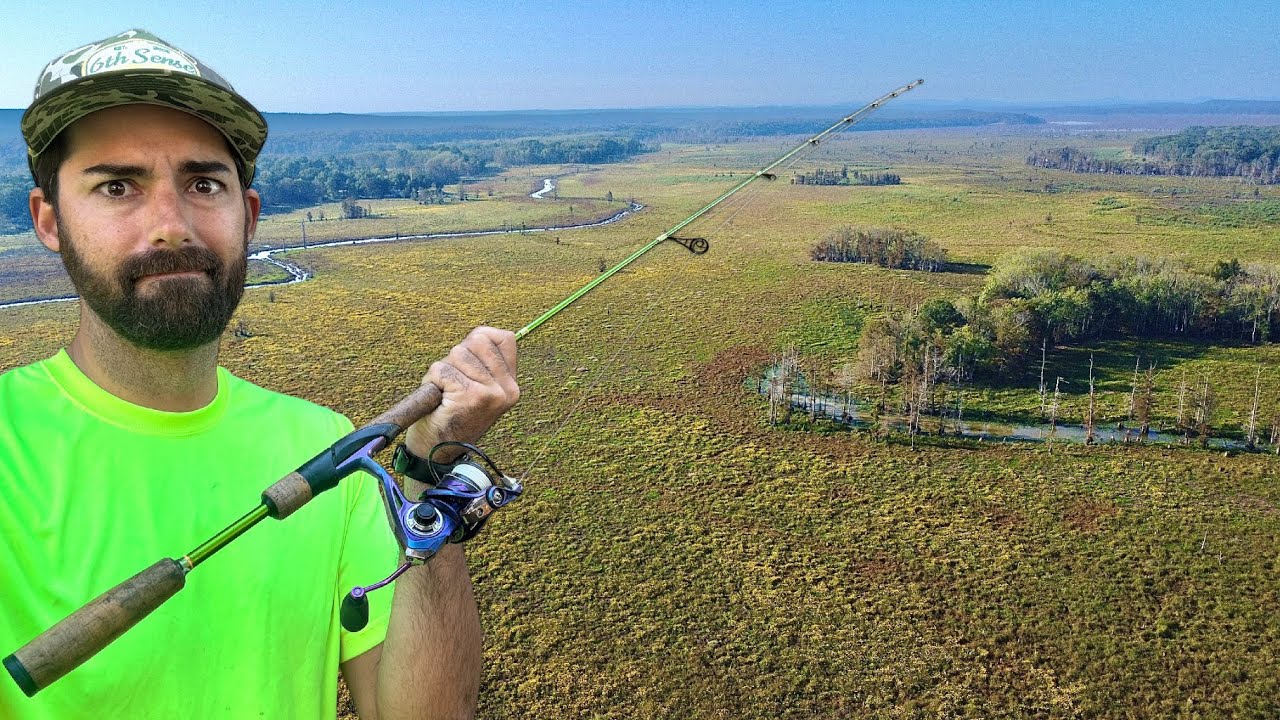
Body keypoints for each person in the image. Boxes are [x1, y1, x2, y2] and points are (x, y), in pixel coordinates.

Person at [0, 29, 519, 719]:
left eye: (203, 183)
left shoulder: (331, 447)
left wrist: (431, 474)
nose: (170, 225)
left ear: (246, 217)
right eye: (117, 185)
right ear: (50, 221)